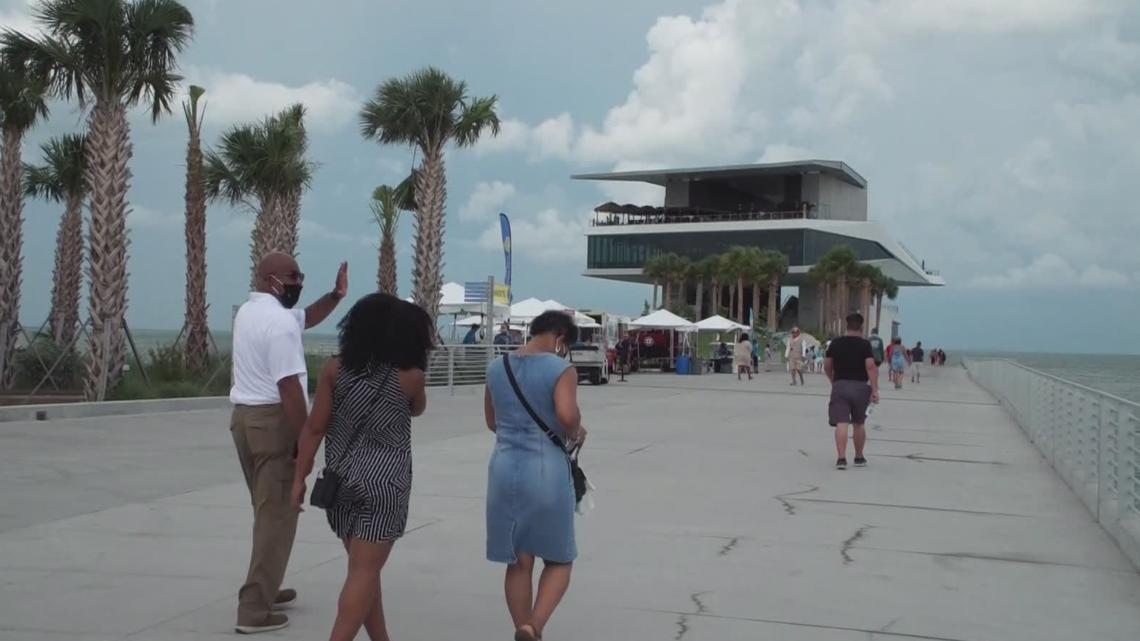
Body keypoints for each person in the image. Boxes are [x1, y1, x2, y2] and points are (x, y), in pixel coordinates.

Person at [290, 293, 432, 641]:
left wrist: (298, 478)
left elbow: (314, 427)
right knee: (365, 572)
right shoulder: (410, 377)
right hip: (384, 486)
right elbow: (416, 409)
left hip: (341, 482)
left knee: (364, 572)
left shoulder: (334, 370)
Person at [229, 252, 347, 634]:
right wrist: (306, 440)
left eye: (300, 274)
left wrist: (335, 295)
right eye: (292, 276)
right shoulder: (278, 323)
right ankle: (253, 611)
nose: (298, 282)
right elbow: (290, 389)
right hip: (273, 422)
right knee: (277, 518)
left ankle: (268, 585)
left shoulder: (251, 311)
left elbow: (307, 317)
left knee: (266, 511)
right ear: (269, 279)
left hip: (245, 421)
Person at [484, 311, 587, 641]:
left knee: (518, 561)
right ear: (559, 337)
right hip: (546, 472)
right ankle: (534, 626)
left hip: (503, 469)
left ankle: (522, 627)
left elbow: (492, 421)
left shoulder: (497, 367)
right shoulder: (561, 369)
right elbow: (566, 414)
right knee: (559, 558)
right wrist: (576, 430)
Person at [825, 313, 880, 470]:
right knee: (859, 423)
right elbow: (870, 366)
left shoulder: (835, 343)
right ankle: (859, 457)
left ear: (846, 326)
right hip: (861, 387)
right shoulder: (865, 345)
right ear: (861, 328)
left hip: (840, 385)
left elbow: (828, 365)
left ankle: (841, 459)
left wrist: (833, 381)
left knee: (841, 423)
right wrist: (874, 389)